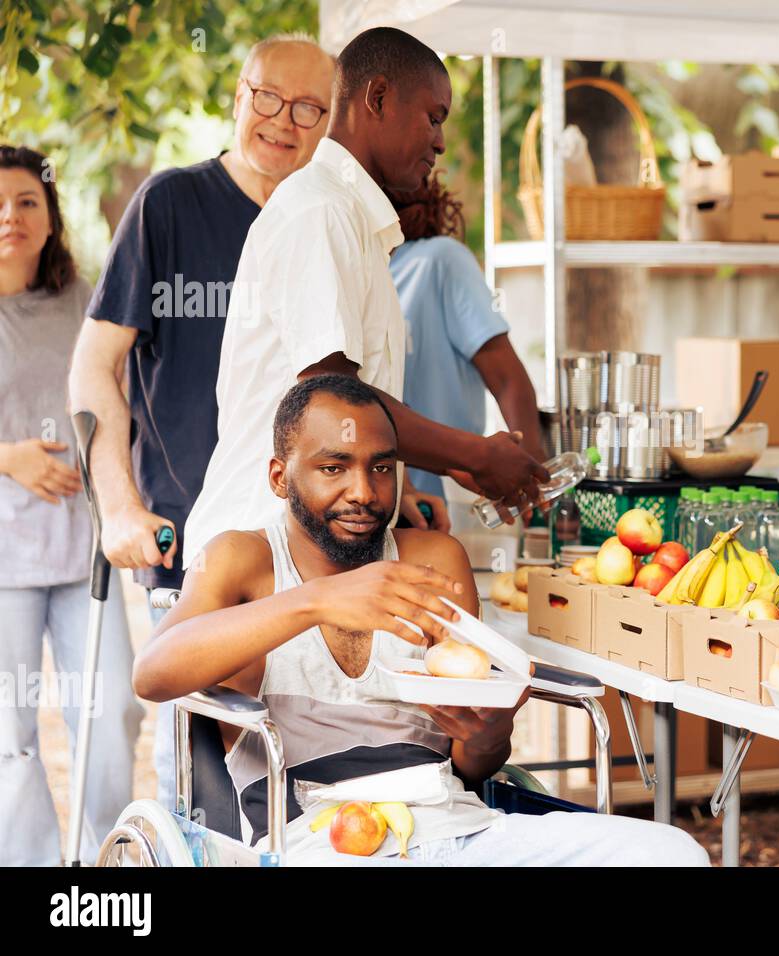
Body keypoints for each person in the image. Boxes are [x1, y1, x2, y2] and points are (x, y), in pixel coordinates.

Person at [134, 375, 708, 866]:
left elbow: (475, 762)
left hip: (455, 827)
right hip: (317, 840)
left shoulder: (434, 560)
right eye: (334, 467)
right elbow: (153, 674)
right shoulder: (244, 560)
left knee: (675, 854)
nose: (363, 492)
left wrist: (488, 736)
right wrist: (318, 601)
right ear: (280, 477)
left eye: (381, 468)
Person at [68, 34, 337, 803]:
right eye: (267, 98)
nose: (283, 121)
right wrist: (117, 505)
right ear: (237, 95)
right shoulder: (170, 205)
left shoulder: (321, 224)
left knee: (298, 792)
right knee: (201, 789)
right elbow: (94, 365)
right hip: (193, 544)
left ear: (331, 123)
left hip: (304, 553)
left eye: (309, 108)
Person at [182, 26, 549, 572]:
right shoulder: (320, 212)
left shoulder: (351, 219)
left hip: (306, 555)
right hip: (264, 556)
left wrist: (427, 472)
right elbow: (335, 407)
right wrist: (472, 454)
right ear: (377, 98)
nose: (441, 142)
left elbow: (354, 405)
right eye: (434, 117)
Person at [0, 145, 142, 864]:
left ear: (51, 215)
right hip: (4, 561)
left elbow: (120, 397)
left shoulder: (84, 302)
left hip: (87, 549)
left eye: (27, 201)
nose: (10, 216)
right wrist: (8, 457)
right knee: (10, 737)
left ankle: (104, 863)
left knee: (112, 708)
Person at [386, 171, 547, 532]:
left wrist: (534, 481)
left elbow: (508, 379)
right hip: (375, 507)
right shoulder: (356, 267)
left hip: (441, 512)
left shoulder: (441, 260)